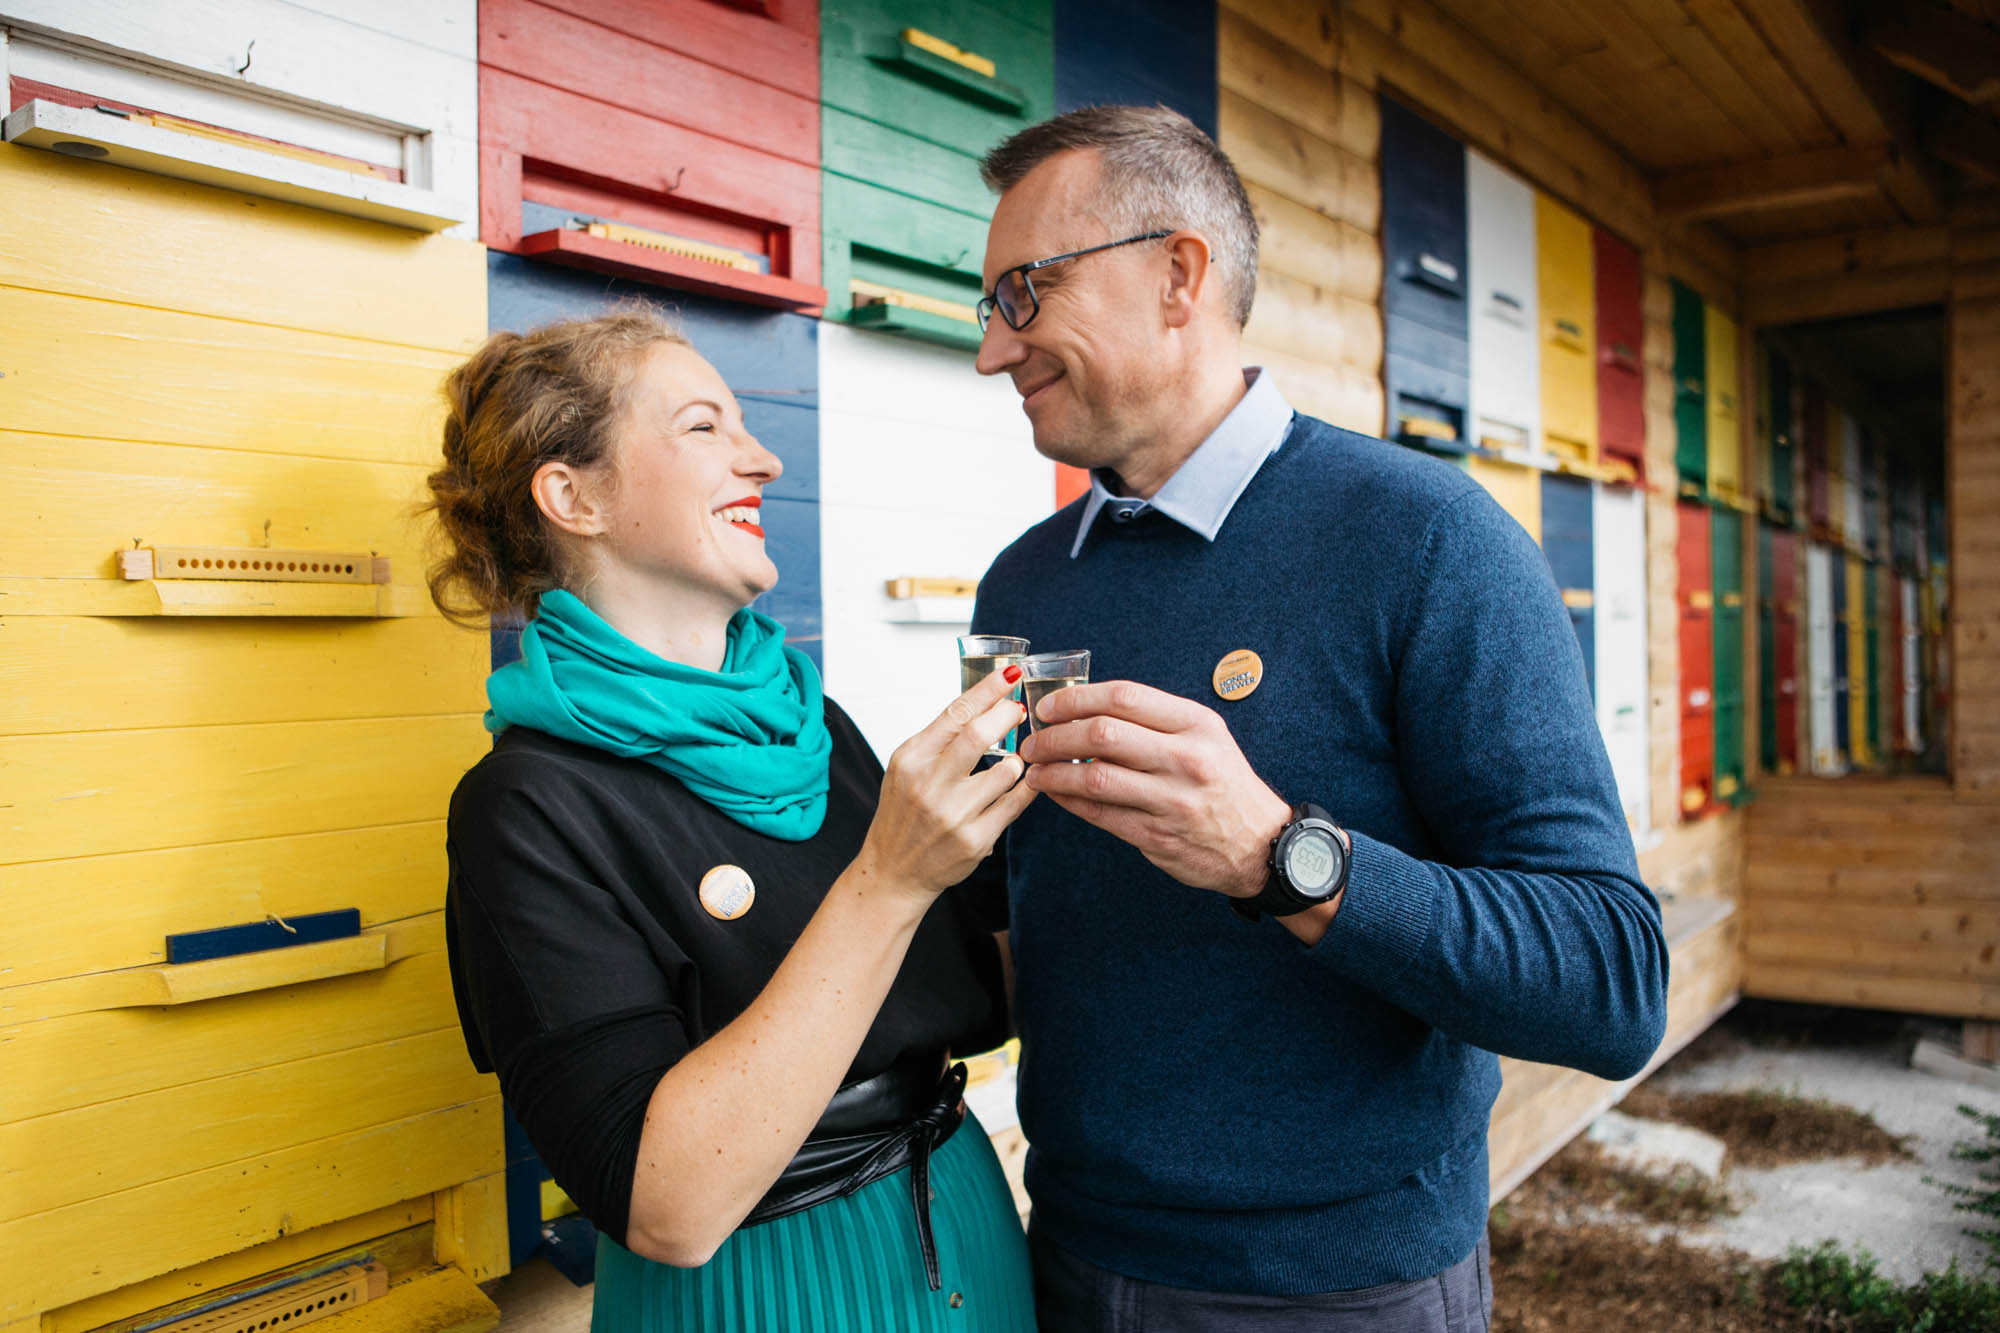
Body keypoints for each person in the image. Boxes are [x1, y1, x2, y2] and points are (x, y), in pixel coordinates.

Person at [965, 105, 1670, 1331]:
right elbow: (1006, 916)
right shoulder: (1019, 585)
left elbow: (1608, 979)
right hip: (1064, 1257)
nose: (991, 349)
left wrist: (1277, 856)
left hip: (1340, 1290)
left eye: (1021, 292)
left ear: (1177, 273)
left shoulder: (1429, 543)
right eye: (991, 307)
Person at [424, 310, 1039, 1331]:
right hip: (758, 1287)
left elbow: (958, 992)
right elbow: (670, 1206)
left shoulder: (812, 723)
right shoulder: (523, 808)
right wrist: (888, 877)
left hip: (963, 1227)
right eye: (706, 427)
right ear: (570, 495)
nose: (761, 457)